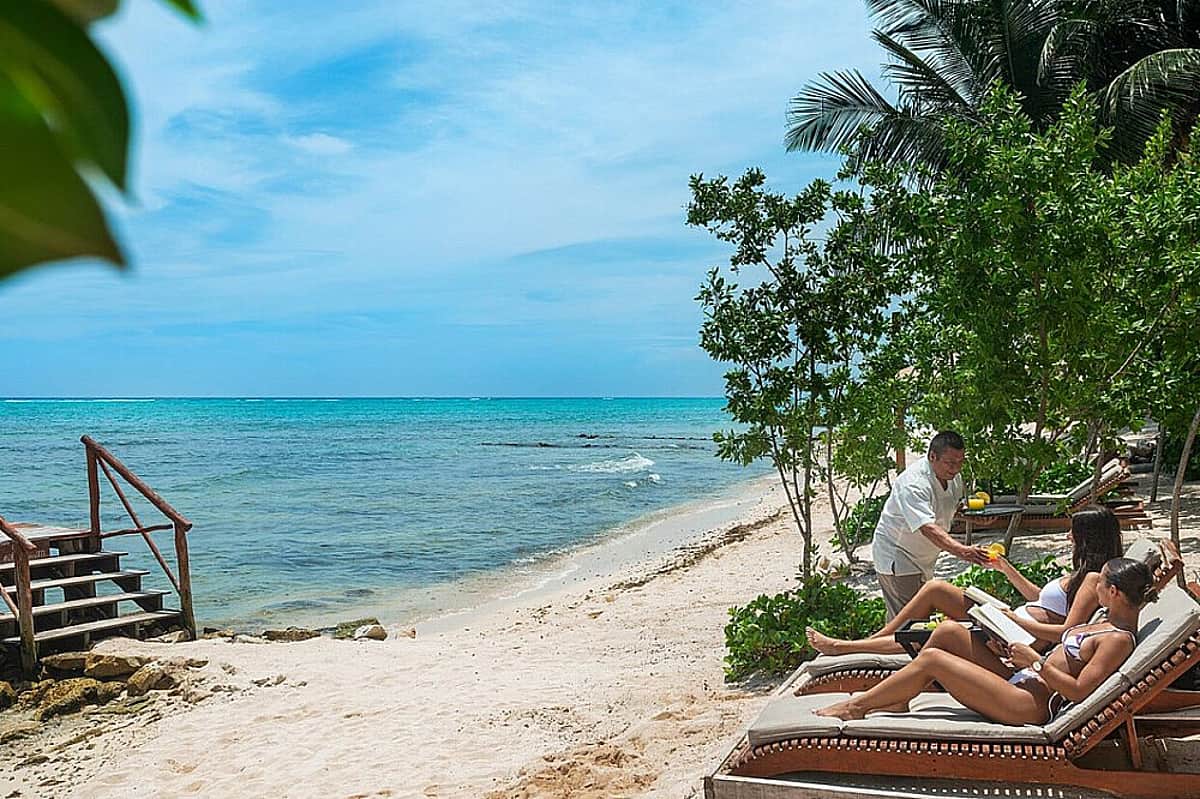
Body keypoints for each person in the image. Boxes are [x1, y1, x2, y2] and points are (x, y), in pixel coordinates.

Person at [816, 556, 1159, 725]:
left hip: (1029, 704)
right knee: (949, 632)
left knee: (933, 659)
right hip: (1022, 679)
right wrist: (1015, 653)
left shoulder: (1117, 640)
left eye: (1100, 584)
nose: (1094, 585)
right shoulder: (1104, 620)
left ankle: (855, 707)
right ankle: (898, 697)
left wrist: (1035, 662)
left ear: (1113, 592)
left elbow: (1080, 691)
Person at [807, 504, 1124, 656]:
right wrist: (1005, 568)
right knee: (935, 588)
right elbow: (1043, 598)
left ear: (1088, 539)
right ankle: (869, 640)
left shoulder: (1096, 578)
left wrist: (1015, 619)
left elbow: (1066, 633)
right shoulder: (1089, 573)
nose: (1068, 535)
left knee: (938, 631)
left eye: (1074, 532)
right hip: (1014, 621)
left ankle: (846, 647)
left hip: (1017, 635)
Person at [870, 431, 988, 620]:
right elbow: (927, 527)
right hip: (898, 555)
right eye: (950, 463)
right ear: (932, 456)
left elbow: (948, 510)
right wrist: (963, 551)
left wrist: (974, 518)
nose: (956, 468)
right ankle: (844, 648)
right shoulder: (914, 483)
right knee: (908, 624)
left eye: (960, 462)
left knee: (909, 622)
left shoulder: (952, 477)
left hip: (924, 558)